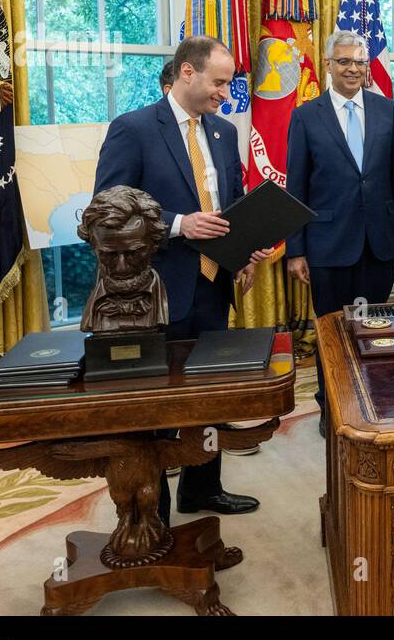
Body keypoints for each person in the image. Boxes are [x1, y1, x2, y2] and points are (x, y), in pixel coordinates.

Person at [94, 35, 272, 520]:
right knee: (157, 404)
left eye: (230, 83)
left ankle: (203, 489)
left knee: (210, 394)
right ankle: (152, 514)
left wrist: (247, 250)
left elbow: (230, 207)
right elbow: (107, 212)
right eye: (219, 82)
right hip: (154, 292)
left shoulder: (224, 132)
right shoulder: (133, 129)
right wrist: (178, 223)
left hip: (214, 285)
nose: (225, 92)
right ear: (187, 73)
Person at [285, 29, 394, 435]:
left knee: (375, 329)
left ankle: (373, 402)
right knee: (332, 334)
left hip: (379, 243)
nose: (353, 69)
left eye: (359, 62)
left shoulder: (386, 110)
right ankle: (333, 407)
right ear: (328, 65)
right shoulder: (306, 116)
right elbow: (297, 188)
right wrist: (296, 250)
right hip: (327, 246)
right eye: (344, 61)